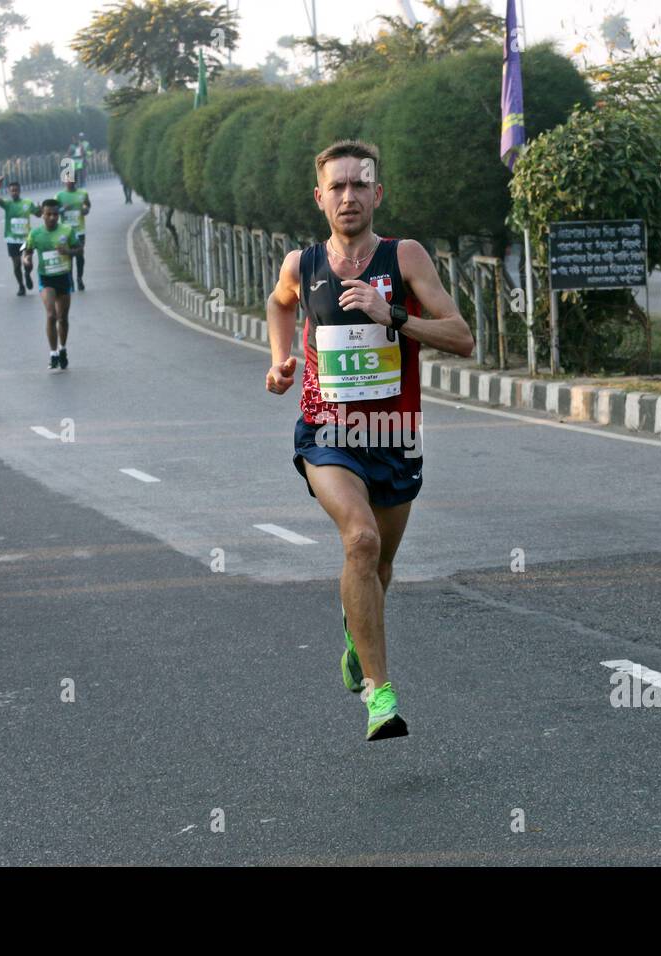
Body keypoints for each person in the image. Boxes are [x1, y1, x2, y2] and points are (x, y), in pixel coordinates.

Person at [265, 140, 474, 741]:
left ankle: (355, 631)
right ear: (320, 197)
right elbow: (280, 307)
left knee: (379, 564)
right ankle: (379, 696)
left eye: (361, 185)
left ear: (377, 194)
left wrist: (395, 316)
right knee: (359, 540)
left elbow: (462, 337)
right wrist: (281, 361)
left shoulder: (403, 257)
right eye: (338, 186)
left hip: (394, 435)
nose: (349, 196)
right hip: (327, 431)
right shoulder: (299, 265)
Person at [21, 199, 82, 370]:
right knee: (50, 315)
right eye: (48, 214)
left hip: (63, 277)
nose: (52, 217)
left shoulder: (67, 230)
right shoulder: (35, 234)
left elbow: (80, 249)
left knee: (62, 318)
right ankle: (53, 353)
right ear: (42, 214)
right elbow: (27, 251)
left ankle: (63, 349)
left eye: (55, 214)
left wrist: (69, 251)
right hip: (46, 278)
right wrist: (27, 260)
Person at [0, 176, 40, 296]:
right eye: (12, 190)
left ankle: (27, 274)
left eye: (16, 190)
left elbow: (38, 215)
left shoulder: (27, 203)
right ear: (9, 192)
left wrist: (40, 209)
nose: (14, 192)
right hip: (12, 239)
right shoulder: (7, 204)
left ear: (19, 190)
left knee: (27, 262)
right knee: (17, 265)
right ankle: (21, 286)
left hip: (26, 239)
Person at [56, 172, 91, 291]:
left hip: (79, 231)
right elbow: (54, 212)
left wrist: (85, 210)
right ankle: (70, 280)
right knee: (69, 256)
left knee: (80, 255)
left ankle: (79, 278)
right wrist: (62, 209)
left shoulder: (83, 193)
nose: (69, 182)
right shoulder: (59, 196)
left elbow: (88, 207)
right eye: (67, 180)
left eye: (71, 180)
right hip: (66, 233)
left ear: (75, 180)